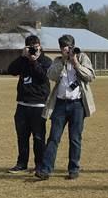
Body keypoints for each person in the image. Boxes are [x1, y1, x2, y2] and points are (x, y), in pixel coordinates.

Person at [38, 34, 96, 181]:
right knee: (53, 138)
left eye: (69, 47)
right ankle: (46, 169)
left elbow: (90, 76)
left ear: (73, 46)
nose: (67, 50)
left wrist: (76, 63)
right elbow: (51, 75)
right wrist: (64, 61)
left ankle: (73, 169)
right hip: (60, 104)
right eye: (64, 47)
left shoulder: (82, 58)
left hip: (77, 104)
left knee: (75, 138)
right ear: (60, 49)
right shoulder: (58, 61)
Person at [6, 34, 52, 173]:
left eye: (36, 47)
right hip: (22, 104)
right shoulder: (23, 60)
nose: (33, 50)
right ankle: (21, 163)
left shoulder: (46, 61)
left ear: (40, 47)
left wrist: (34, 61)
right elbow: (11, 70)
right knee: (22, 136)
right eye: (30, 47)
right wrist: (22, 57)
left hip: (38, 105)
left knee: (38, 137)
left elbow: (43, 77)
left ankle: (39, 164)